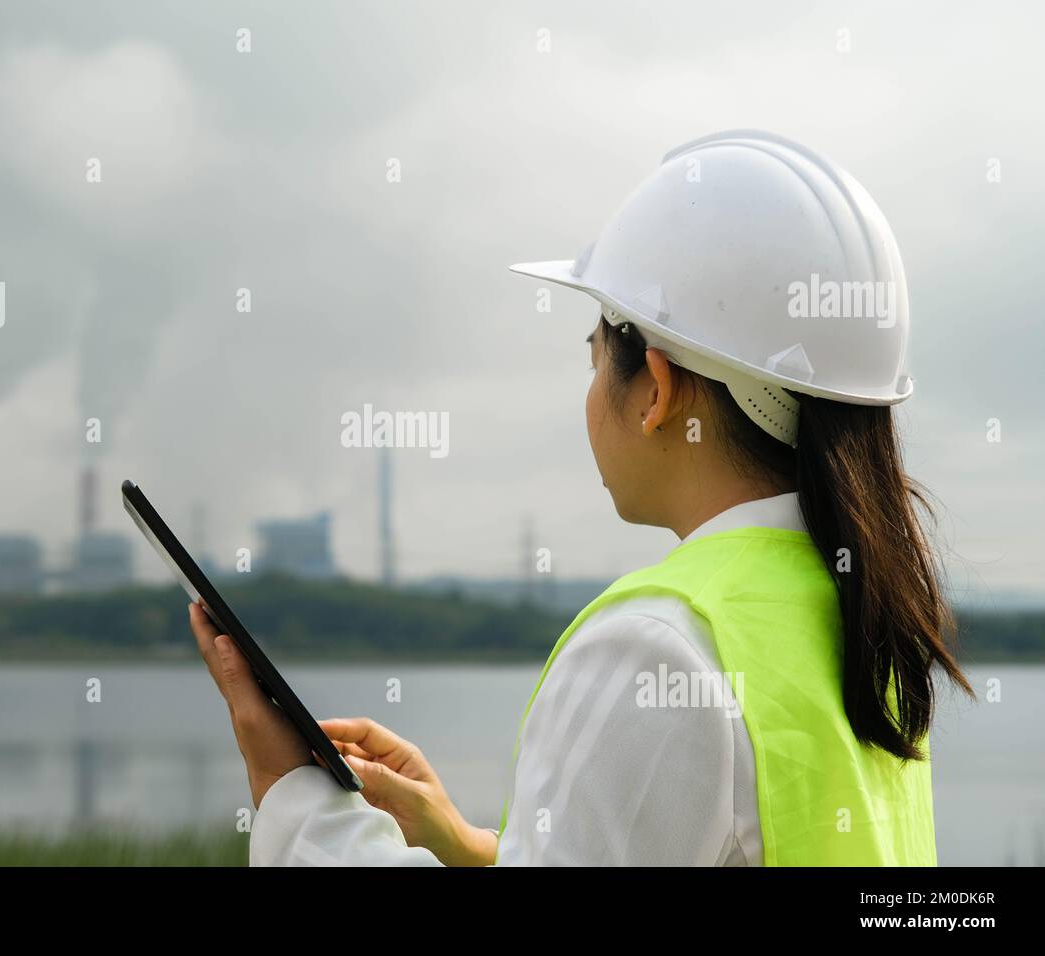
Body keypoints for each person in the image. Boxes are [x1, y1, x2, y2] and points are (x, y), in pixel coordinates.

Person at [186, 130, 973, 866]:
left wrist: (294, 801)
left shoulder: (655, 648)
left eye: (594, 357)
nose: (591, 389)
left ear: (655, 389)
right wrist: (480, 847)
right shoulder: (866, 623)